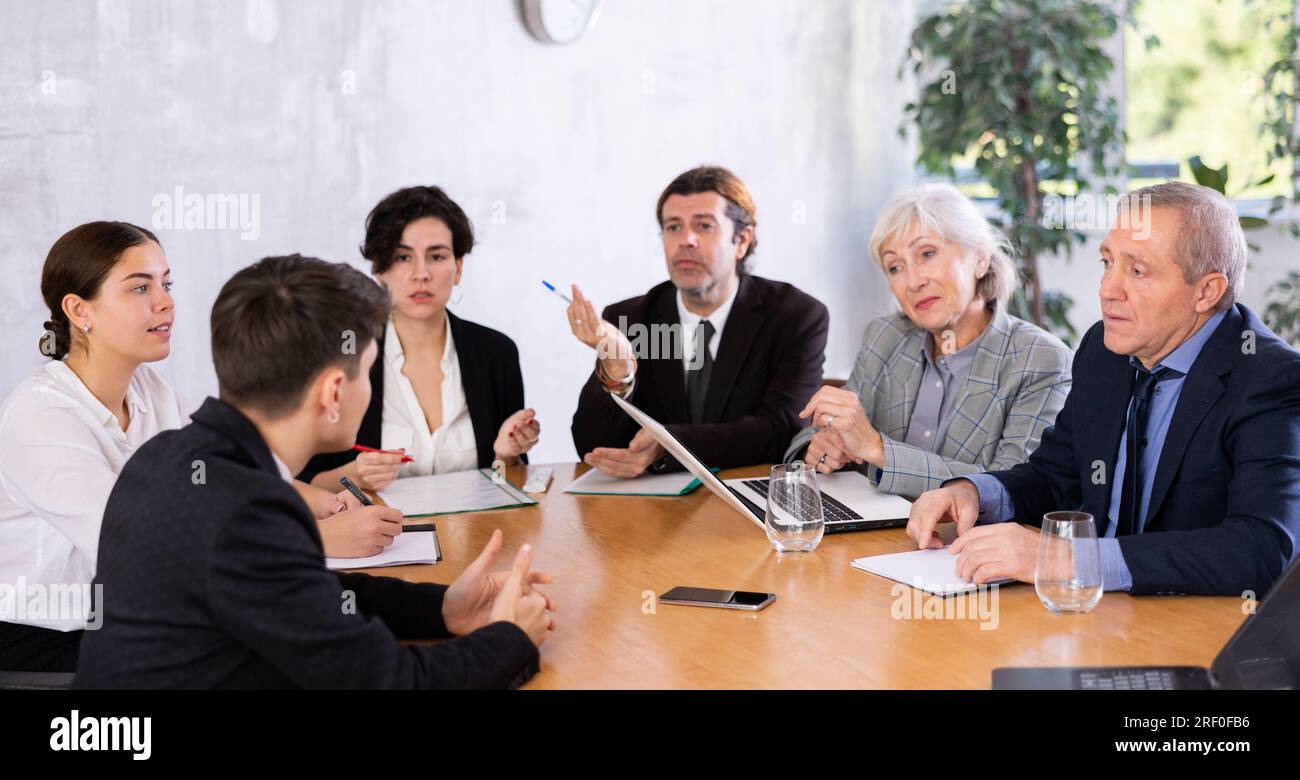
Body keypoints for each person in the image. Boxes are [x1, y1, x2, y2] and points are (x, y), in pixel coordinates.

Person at [75, 255, 555, 688]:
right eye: (367, 372)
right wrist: (513, 638)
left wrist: (443, 607)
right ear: (332, 394)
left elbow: (306, 595)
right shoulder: (245, 508)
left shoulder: (169, 456)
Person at [907, 182, 1300, 596]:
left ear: (1206, 291)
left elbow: (1261, 549)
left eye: (1137, 270)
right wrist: (974, 493)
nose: (1108, 289)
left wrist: (1066, 559)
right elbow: (1056, 475)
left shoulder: (1270, 378)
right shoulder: (1104, 349)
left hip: (1186, 629)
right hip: (1088, 614)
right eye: (1107, 262)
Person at [788, 184, 1071, 499]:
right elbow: (818, 432)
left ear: (980, 258)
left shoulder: (1040, 360)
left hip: (962, 543)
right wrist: (823, 447)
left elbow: (1009, 489)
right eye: (895, 267)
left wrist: (876, 448)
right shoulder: (886, 336)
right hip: (874, 534)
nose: (913, 281)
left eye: (927, 254)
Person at [568, 165, 829, 477]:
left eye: (704, 226)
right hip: (655, 511)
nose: (685, 241)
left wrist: (670, 443)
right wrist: (617, 369)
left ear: (742, 240)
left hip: (751, 500)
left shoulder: (794, 316)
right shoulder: (631, 320)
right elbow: (591, 445)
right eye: (673, 227)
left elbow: (780, 430)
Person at [301, 186, 539, 492]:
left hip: (478, 536)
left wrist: (504, 457)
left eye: (437, 256)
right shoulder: (345, 353)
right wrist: (355, 476)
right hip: (381, 538)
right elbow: (304, 482)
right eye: (402, 257)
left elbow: (504, 484)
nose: (421, 273)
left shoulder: (496, 353)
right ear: (379, 269)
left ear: (458, 268)